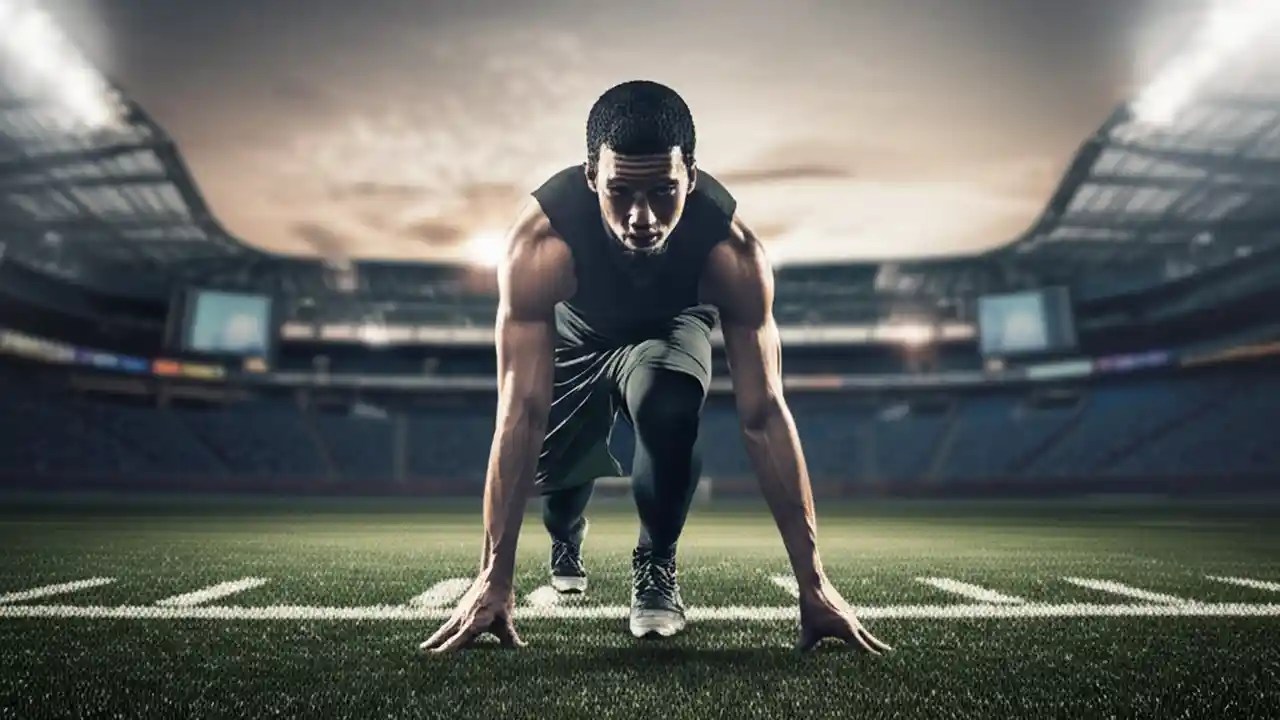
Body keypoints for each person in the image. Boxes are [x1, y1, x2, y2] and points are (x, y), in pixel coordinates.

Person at [420, 80, 890, 653]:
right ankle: (566, 533)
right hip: (576, 338)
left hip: (669, 331)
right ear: (592, 176)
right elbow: (521, 409)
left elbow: (764, 415)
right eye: (620, 192)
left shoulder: (733, 254)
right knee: (561, 485)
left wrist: (813, 584)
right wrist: (494, 579)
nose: (641, 217)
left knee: (669, 409)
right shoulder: (540, 246)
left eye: (664, 192)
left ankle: (657, 559)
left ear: (690, 177)